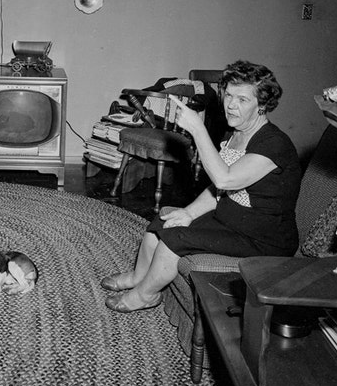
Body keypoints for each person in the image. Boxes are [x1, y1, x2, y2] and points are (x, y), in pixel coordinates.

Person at [101, 60, 302, 313]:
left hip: (263, 238)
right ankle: (138, 277)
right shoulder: (237, 133)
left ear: (262, 105)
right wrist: (189, 213)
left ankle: (146, 295)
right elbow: (219, 192)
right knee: (162, 223)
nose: (231, 105)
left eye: (242, 99)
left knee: (174, 240)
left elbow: (225, 180)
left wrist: (198, 129)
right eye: (228, 95)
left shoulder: (274, 144)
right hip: (231, 219)